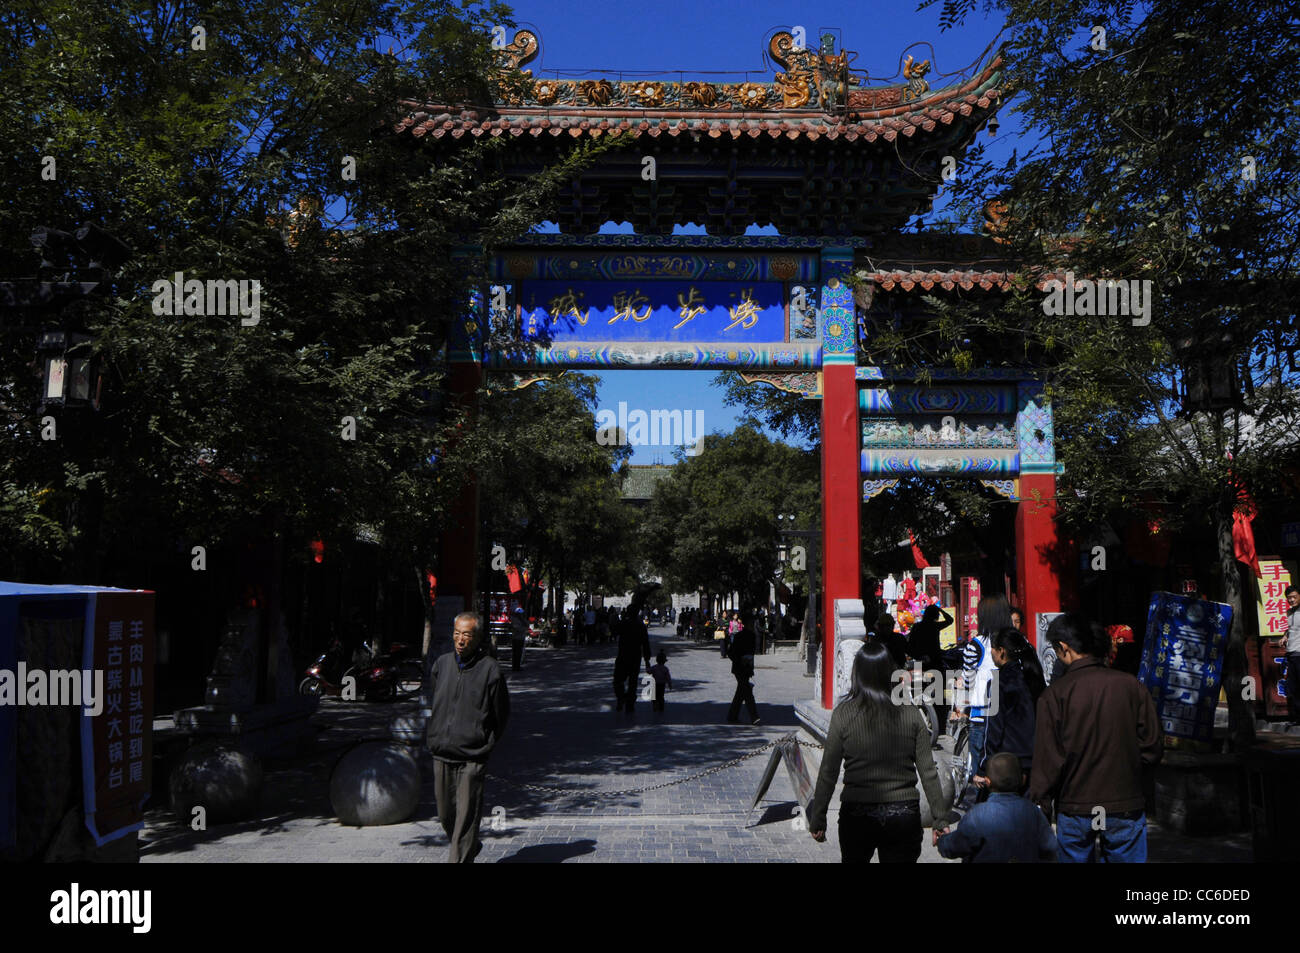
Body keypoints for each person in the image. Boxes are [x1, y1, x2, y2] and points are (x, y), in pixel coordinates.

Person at [1028, 613, 1164, 863]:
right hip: (1125, 802)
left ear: (1064, 648)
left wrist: (1042, 806)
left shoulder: (1054, 696)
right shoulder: (1131, 687)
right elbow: (1152, 746)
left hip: (1076, 805)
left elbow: (1048, 762)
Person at [808, 641, 946, 863]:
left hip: (856, 815)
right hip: (903, 815)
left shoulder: (843, 714)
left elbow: (828, 771)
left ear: (857, 675)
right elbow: (928, 771)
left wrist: (818, 816)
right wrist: (940, 819)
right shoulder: (911, 714)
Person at [425, 612, 510, 863]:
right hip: (441, 752)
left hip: (472, 757)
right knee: (446, 816)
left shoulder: (490, 670)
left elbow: (501, 713)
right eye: (457, 634)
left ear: (478, 638)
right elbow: (437, 699)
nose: (460, 640)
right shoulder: (441, 665)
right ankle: (469, 844)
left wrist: (486, 743)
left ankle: (461, 853)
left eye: (467, 635)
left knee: (465, 818)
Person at [934, 752, 1056, 863]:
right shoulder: (1033, 812)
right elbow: (1050, 848)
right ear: (1023, 780)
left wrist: (942, 840)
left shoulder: (977, 815)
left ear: (987, 782)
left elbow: (955, 846)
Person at [974, 627, 1044, 791]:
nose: (990, 652)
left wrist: (983, 767)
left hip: (1009, 765)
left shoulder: (999, 682)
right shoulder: (1033, 676)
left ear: (1001, 651)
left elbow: (993, 730)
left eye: (992, 648)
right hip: (1036, 761)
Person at [957, 594, 1010, 780]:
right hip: (1011, 718)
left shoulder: (976, 645)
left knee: (981, 774)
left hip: (982, 719)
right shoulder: (1020, 644)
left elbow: (968, 680)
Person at [613, 593, 653, 715]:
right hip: (635, 657)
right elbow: (645, 644)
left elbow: (614, 630)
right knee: (632, 682)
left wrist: (622, 618)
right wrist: (647, 660)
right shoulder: (641, 626)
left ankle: (621, 697)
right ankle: (630, 703)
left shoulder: (623, 624)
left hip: (623, 655)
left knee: (617, 680)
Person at [726, 612, 759, 724]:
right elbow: (732, 652)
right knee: (747, 692)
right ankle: (754, 716)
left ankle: (732, 716)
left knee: (741, 692)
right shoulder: (747, 636)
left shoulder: (745, 636)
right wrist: (741, 660)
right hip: (743, 668)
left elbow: (730, 652)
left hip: (741, 668)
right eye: (752, 623)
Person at [1285, 585, 1300, 722]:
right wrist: (1285, 636)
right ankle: (1297, 717)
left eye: (1294, 597)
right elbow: (1291, 629)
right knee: (1293, 687)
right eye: (1289, 598)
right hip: (1291, 653)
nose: (1292, 600)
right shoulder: (1289, 613)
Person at [509, 607, 527, 671]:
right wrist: (523, 629)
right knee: (515, 653)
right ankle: (515, 666)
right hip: (516, 638)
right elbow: (516, 628)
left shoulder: (523, 620)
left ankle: (518, 666)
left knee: (519, 653)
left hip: (521, 638)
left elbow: (527, 625)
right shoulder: (514, 620)